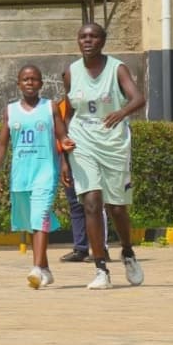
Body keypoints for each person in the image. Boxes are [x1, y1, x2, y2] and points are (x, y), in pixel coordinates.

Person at [62, 22, 145, 290]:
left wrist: (122, 112)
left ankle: (128, 252)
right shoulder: (71, 72)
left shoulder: (117, 68)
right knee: (91, 202)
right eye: (83, 36)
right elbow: (67, 113)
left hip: (113, 142)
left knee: (117, 208)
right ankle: (100, 268)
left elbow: (137, 98)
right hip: (83, 140)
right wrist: (64, 146)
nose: (87, 41)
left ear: (102, 40)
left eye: (93, 36)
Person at [0, 65, 71, 289]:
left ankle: (35, 268)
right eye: (25, 79)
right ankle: (45, 268)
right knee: (32, 223)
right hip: (21, 175)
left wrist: (64, 162)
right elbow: (2, 143)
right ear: (18, 84)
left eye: (34, 79)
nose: (30, 82)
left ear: (41, 84)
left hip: (45, 172)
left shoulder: (50, 108)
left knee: (40, 215)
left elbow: (62, 137)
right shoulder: (10, 111)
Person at [57, 95, 111, 264]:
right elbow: (62, 136)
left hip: (93, 157)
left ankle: (101, 249)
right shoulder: (61, 107)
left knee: (95, 203)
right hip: (71, 158)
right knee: (75, 204)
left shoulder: (96, 100)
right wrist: (64, 162)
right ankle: (80, 248)